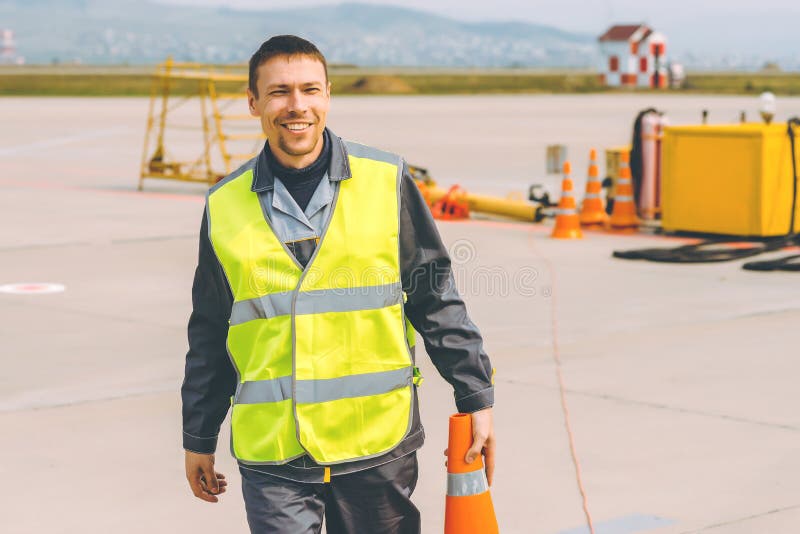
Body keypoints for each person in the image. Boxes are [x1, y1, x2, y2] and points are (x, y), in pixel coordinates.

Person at [181, 34, 495, 534]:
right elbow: (211, 330)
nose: (296, 105)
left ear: (328, 95)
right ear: (253, 102)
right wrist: (199, 435)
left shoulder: (386, 180)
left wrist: (474, 393)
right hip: (275, 454)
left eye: (310, 89)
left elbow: (434, 295)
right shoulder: (224, 206)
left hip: (376, 443)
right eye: (279, 91)